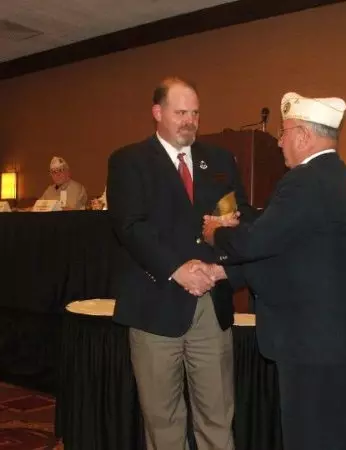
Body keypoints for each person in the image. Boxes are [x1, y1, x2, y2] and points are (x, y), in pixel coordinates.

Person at [202, 91, 346, 450]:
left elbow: (256, 244)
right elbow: (288, 254)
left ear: (303, 136)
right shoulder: (332, 174)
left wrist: (216, 232)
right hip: (327, 343)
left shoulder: (306, 180)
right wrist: (224, 274)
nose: (279, 141)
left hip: (314, 346)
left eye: (284, 132)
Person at [106, 77, 254, 450]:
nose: (190, 120)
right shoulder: (129, 161)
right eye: (180, 112)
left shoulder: (220, 161)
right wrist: (177, 268)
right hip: (154, 303)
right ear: (157, 113)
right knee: (162, 418)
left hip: (210, 301)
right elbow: (129, 226)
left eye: (195, 113)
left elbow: (239, 216)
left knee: (218, 416)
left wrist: (221, 264)